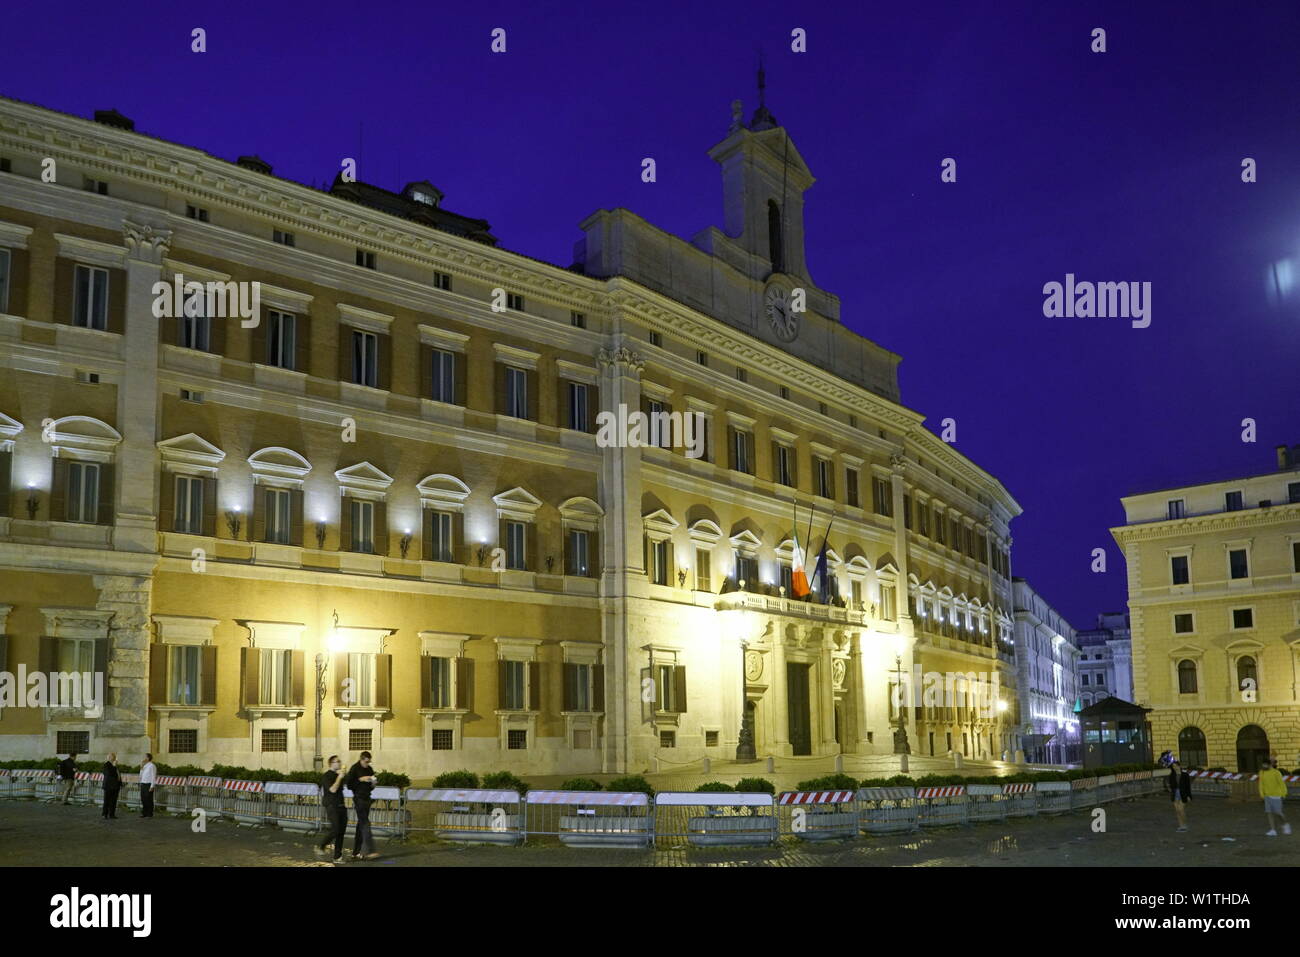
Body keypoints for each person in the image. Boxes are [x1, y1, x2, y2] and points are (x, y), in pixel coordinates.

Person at [344, 751, 380, 860]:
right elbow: (349, 785)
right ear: (361, 759)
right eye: (366, 762)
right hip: (358, 798)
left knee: (361, 826)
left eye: (369, 762)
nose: (367, 764)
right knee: (365, 823)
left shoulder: (369, 769)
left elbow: (371, 787)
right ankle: (370, 850)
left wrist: (373, 784)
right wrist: (360, 779)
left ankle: (355, 852)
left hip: (367, 798)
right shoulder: (354, 768)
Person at [315, 755, 348, 864]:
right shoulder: (327, 776)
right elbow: (333, 789)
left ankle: (337, 857)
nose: (339, 763)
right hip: (332, 806)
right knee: (335, 829)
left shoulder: (338, 775)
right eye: (336, 761)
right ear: (330, 764)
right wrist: (339, 777)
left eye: (339, 761)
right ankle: (321, 846)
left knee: (341, 833)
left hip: (341, 806)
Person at [1258, 757, 1291, 837]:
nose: (1264, 766)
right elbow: (1261, 784)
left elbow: (1281, 784)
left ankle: (1286, 825)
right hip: (1267, 796)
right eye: (1263, 765)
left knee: (1278, 813)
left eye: (1265, 765)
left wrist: (1284, 793)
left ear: (1270, 765)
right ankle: (1273, 830)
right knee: (1269, 813)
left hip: (1276, 796)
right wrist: (1262, 794)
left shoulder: (1276, 773)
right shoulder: (1261, 772)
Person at [1168, 760, 1191, 831]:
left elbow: (1188, 786)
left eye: (1176, 766)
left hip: (1183, 793)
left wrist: (1188, 796)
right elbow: (1170, 784)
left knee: (1181, 809)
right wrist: (1170, 788)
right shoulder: (1172, 775)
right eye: (1173, 766)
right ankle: (1181, 825)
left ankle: (1185, 824)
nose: (1175, 767)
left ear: (1179, 766)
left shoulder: (1185, 775)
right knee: (1177, 810)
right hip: (1175, 793)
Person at [101, 753, 121, 820]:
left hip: (115, 786)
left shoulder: (115, 765)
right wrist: (114, 766)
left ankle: (112, 814)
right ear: (109, 758)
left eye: (115, 757)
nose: (115, 758)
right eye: (113, 757)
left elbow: (117, 775)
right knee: (107, 801)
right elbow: (109, 774)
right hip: (108, 786)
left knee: (113, 801)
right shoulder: (106, 765)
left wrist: (120, 783)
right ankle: (104, 814)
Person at [139, 753, 156, 819]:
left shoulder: (152, 766)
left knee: (149, 800)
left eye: (144, 757)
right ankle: (144, 813)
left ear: (148, 758)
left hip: (148, 784)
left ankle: (149, 814)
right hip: (143, 784)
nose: (143, 758)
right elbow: (141, 775)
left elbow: (153, 776)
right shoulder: (144, 766)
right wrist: (141, 768)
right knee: (143, 799)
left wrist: (152, 786)